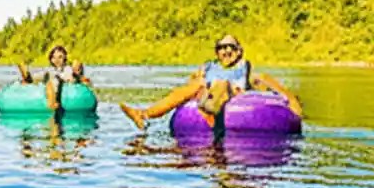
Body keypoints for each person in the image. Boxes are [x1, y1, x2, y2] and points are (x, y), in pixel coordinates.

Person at [118, 34, 303, 132]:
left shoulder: (252, 74)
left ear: (239, 52)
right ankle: (144, 114)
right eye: (222, 47)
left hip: (232, 98)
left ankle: (211, 107)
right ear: (217, 52)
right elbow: (184, 92)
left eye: (231, 47)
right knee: (197, 85)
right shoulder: (206, 69)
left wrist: (295, 116)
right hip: (204, 97)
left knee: (221, 84)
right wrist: (196, 83)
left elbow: (284, 94)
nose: (226, 51)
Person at [15, 45, 92, 112]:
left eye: (60, 57)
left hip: (63, 78)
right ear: (51, 59)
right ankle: (27, 77)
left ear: (65, 58)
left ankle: (77, 73)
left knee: (58, 78)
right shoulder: (49, 70)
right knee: (45, 76)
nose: (57, 60)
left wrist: (77, 77)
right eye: (54, 57)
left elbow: (71, 77)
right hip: (51, 76)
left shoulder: (67, 68)